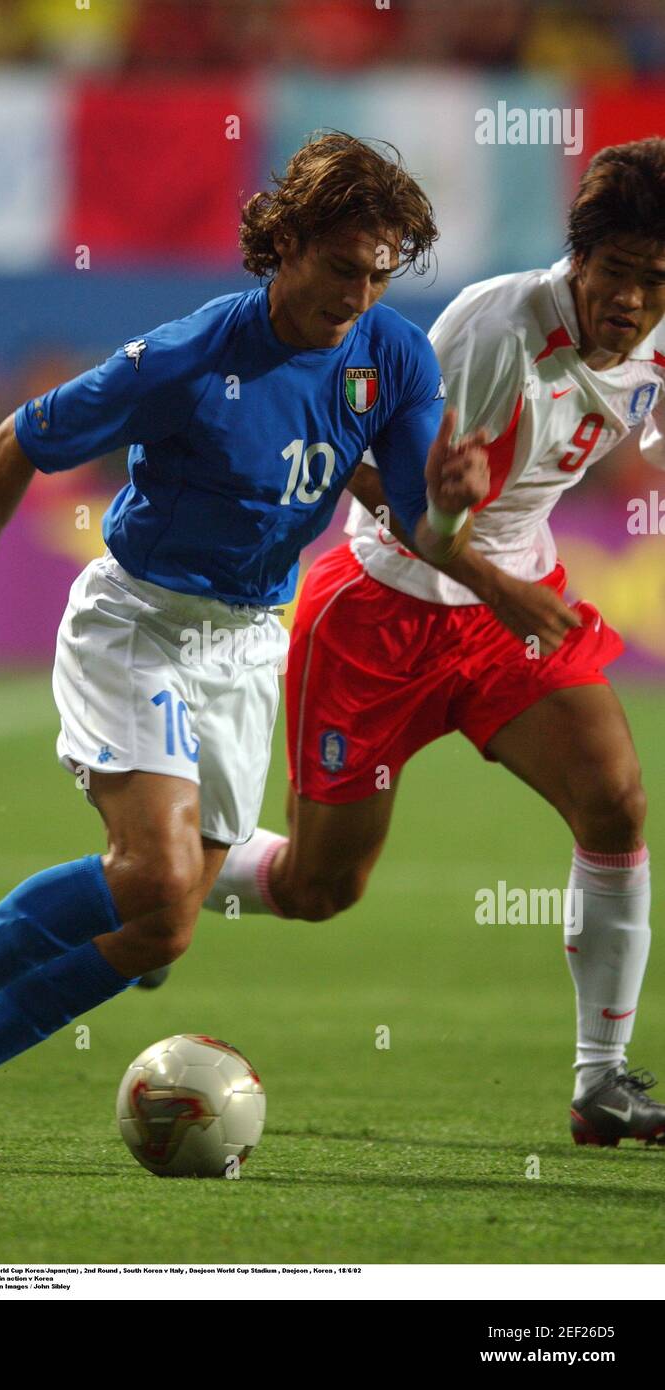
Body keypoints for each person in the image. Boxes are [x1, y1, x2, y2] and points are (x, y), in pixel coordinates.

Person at [0, 132, 489, 1160]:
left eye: (376, 273)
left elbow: (416, 522)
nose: (358, 294)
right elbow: (21, 437)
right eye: (339, 267)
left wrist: (448, 512)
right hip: (139, 623)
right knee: (152, 875)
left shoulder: (393, 357)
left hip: (245, 651)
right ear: (285, 243)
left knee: (163, 924)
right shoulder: (193, 352)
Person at [204, 137, 665, 1149]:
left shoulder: (653, 343)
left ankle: (601, 1083)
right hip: (381, 608)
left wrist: (502, 581)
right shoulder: (490, 334)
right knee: (319, 889)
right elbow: (368, 471)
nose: (632, 302)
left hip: (510, 609)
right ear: (576, 260)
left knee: (615, 802)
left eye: (655, 282)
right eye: (617, 275)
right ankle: (173, 875)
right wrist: (473, 559)